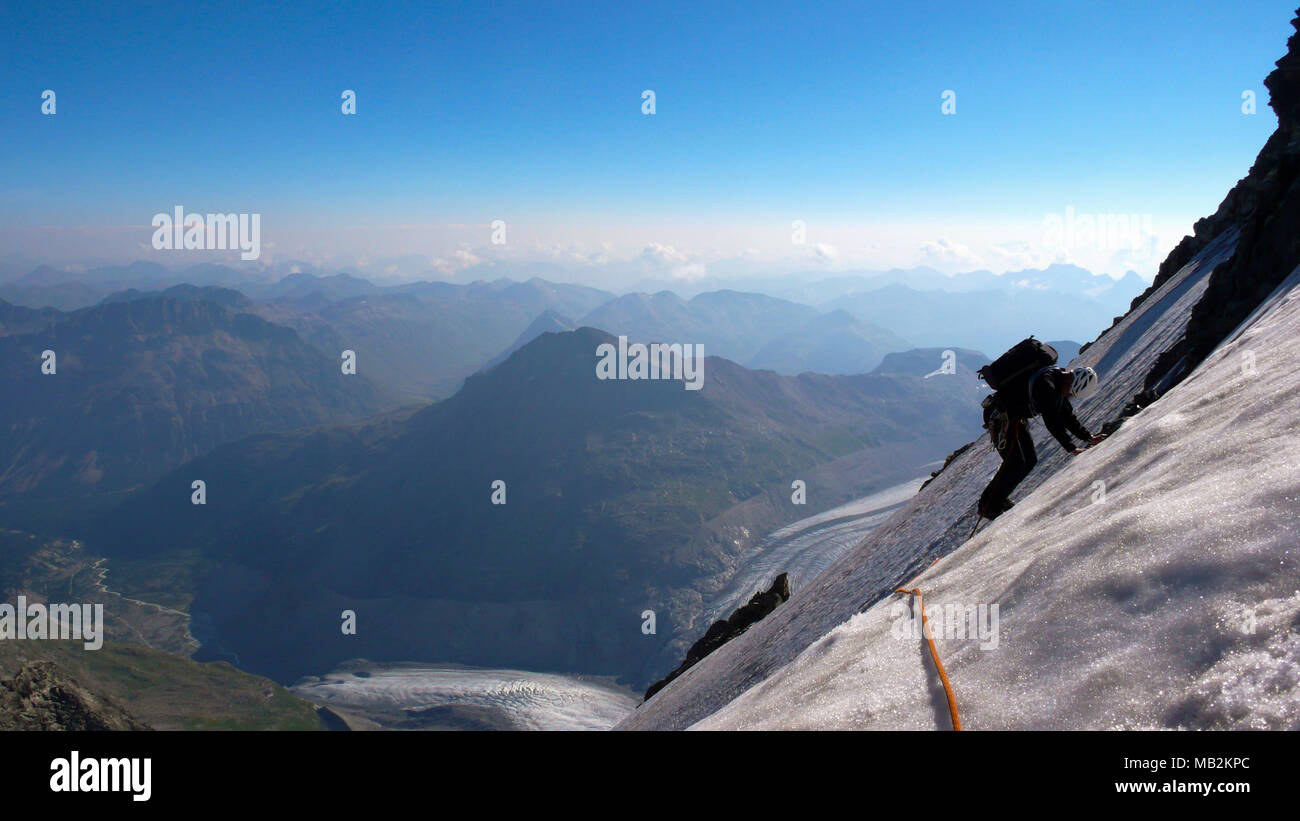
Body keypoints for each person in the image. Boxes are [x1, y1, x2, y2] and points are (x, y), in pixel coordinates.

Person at [977, 365, 1106, 521]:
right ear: (1072, 383)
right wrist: (1071, 448)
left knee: (1029, 460)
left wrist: (1089, 437)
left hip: (1011, 416)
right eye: (1071, 392)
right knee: (1016, 461)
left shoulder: (1056, 382)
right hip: (999, 416)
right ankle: (988, 505)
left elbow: (1067, 416)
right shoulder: (1047, 386)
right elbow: (1052, 422)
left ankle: (998, 498)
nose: (1069, 395)